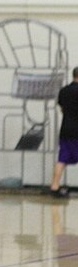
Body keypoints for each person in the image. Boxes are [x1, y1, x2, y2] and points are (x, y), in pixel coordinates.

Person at [50, 67, 78, 198]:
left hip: (65, 129)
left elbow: (61, 109)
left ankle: (54, 187)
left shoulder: (63, 91)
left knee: (62, 159)